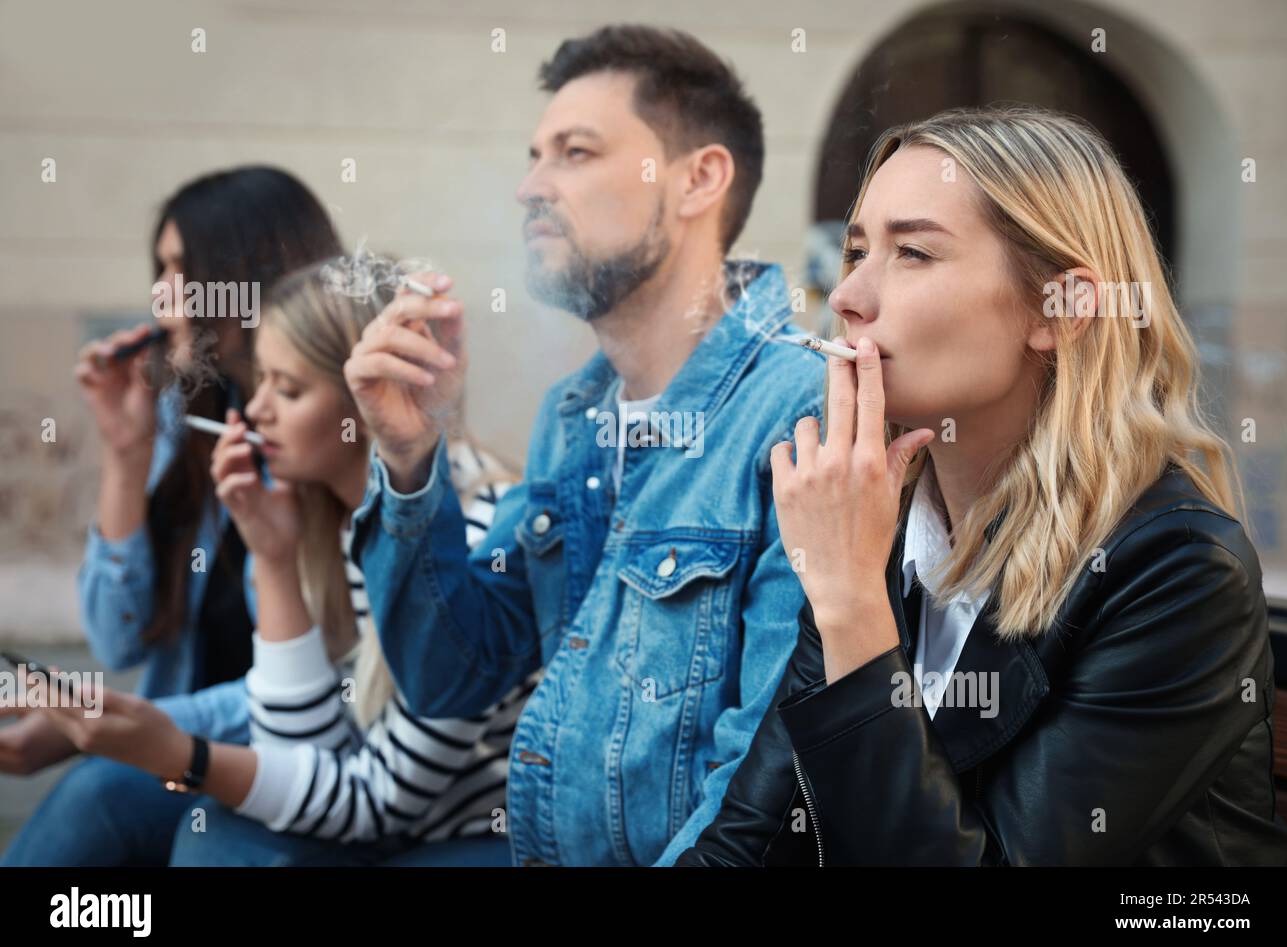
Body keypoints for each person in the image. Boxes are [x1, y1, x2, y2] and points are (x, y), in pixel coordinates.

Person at [675, 106, 1287, 866]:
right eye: (856, 249)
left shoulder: (1179, 571)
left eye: (912, 253)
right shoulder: (884, 524)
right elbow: (748, 838)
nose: (846, 297)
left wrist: (852, 603)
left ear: (1059, 309)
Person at [343, 25, 824, 866]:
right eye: (534, 156)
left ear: (699, 178)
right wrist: (412, 460)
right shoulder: (575, 416)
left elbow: (769, 791)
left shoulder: (798, 409)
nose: (531, 186)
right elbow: (456, 672)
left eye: (575, 152)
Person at [18, 262, 534, 866]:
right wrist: (273, 556)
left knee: (227, 844)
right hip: (375, 816)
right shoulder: (325, 513)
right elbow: (300, 748)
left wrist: (183, 755)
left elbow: (376, 803)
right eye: (260, 380)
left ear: (369, 402)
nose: (255, 410)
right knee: (113, 795)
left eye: (288, 391)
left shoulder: (472, 531)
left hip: (474, 841)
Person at [1, 167, 342, 866]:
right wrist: (125, 457)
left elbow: (325, 686)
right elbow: (118, 639)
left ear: (251, 277)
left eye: (183, 269)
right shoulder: (183, 418)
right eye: (159, 268)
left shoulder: (322, 441)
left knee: (103, 792)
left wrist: (110, 729)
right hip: (180, 750)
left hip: (287, 762)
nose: (161, 296)